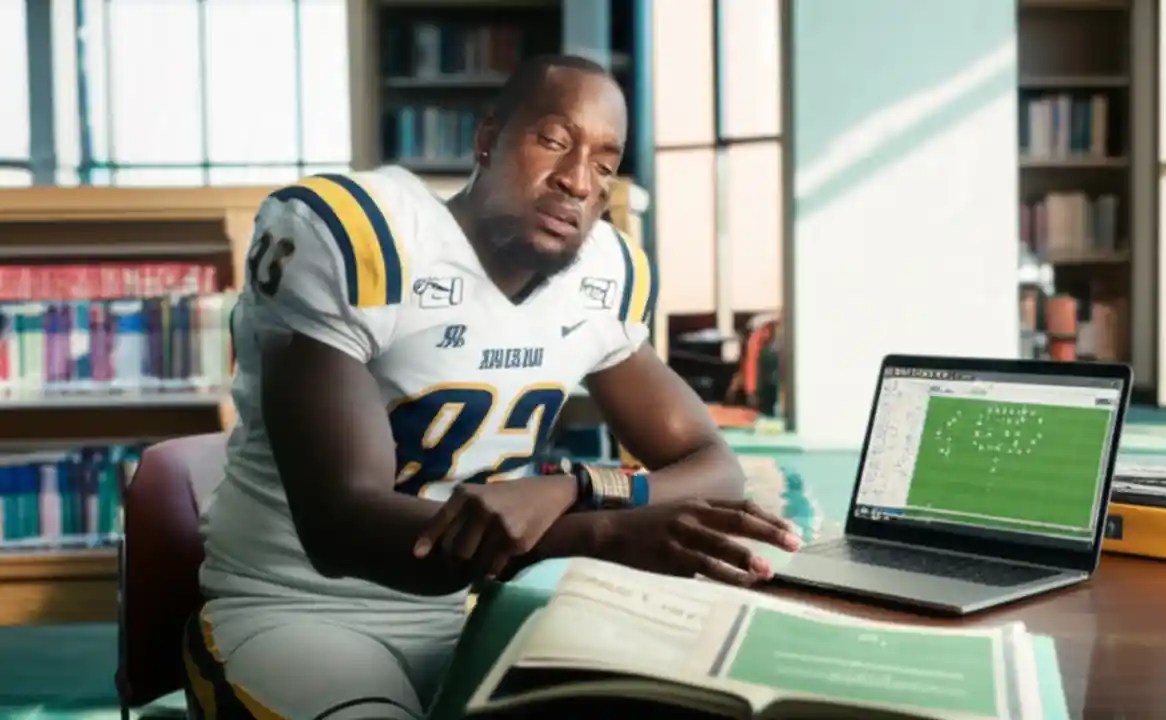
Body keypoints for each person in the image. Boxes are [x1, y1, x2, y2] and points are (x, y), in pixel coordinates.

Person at [183, 54, 800, 720]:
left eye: (603, 164)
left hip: (475, 610)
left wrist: (575, 488)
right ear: (487, 139)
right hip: (299, 611)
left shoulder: (602, 276)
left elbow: (713, 468)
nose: (576, 181)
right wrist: (603, 534)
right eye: (554, 141)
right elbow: (345, 526)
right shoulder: (365, 238)